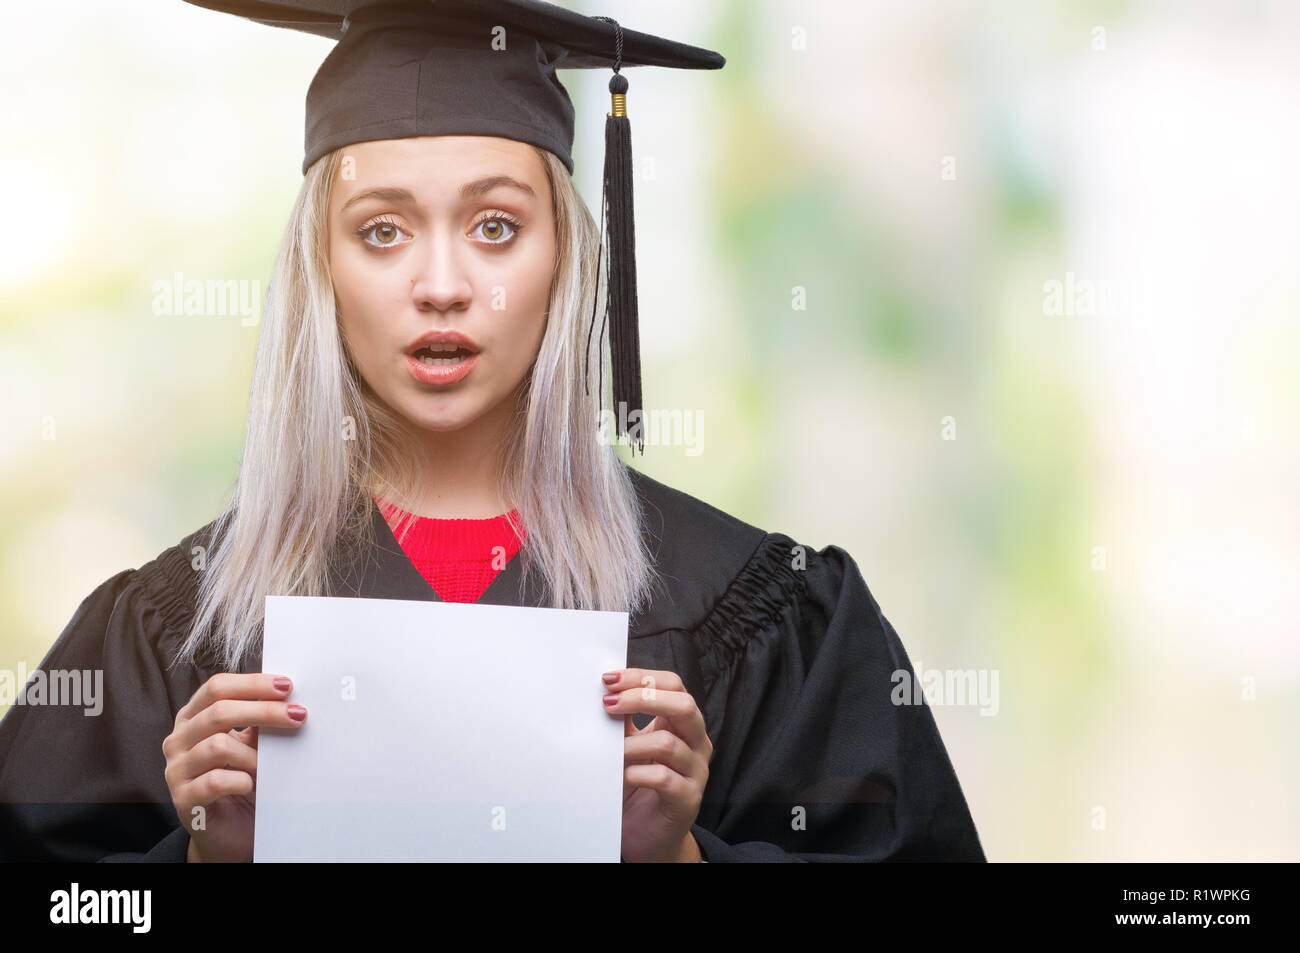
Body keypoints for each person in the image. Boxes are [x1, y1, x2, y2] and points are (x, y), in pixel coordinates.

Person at [0, 0, 985, 863]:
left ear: (565, 255)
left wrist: (679, 858)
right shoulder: (184, 637)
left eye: (496, 226)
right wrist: (208, 862)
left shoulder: (754, 613)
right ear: (320, 269)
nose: (441, 284)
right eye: (381, 229)